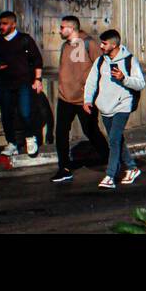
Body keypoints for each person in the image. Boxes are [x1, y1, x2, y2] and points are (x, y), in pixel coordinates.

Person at [83, 29, 145, 189]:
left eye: (104, 43)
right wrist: (88, 100)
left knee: (114, 140)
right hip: (105, 106)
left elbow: (140, 83)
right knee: (116, 139)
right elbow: (91, 82)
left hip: (122, 105)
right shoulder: (100, 61)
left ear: (114, 44)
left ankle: (110, 175)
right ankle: (132, 167)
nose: (101, 46)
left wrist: (124, 79)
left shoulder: (129, 60)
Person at [50, 15, 109, 183]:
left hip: (85, 99)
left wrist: (92, 93)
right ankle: (64, 168)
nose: (59, 30)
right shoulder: (65, 46)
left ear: (72, 28)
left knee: (91, 130)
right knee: (61, 133)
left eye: (62, 27)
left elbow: (102, 68)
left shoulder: (89, 44)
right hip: (64, 98)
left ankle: (109, 158)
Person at [0, 11, 44, 158]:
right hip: (5, 84)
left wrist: (38, 80)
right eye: (0, 23)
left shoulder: (25, 40)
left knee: (25, 112)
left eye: (5, 24)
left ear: (13, 24)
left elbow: (37, 60)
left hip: (24, 82)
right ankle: (12, 143)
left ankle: (30, 138)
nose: (1, 27)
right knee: (6, 115)